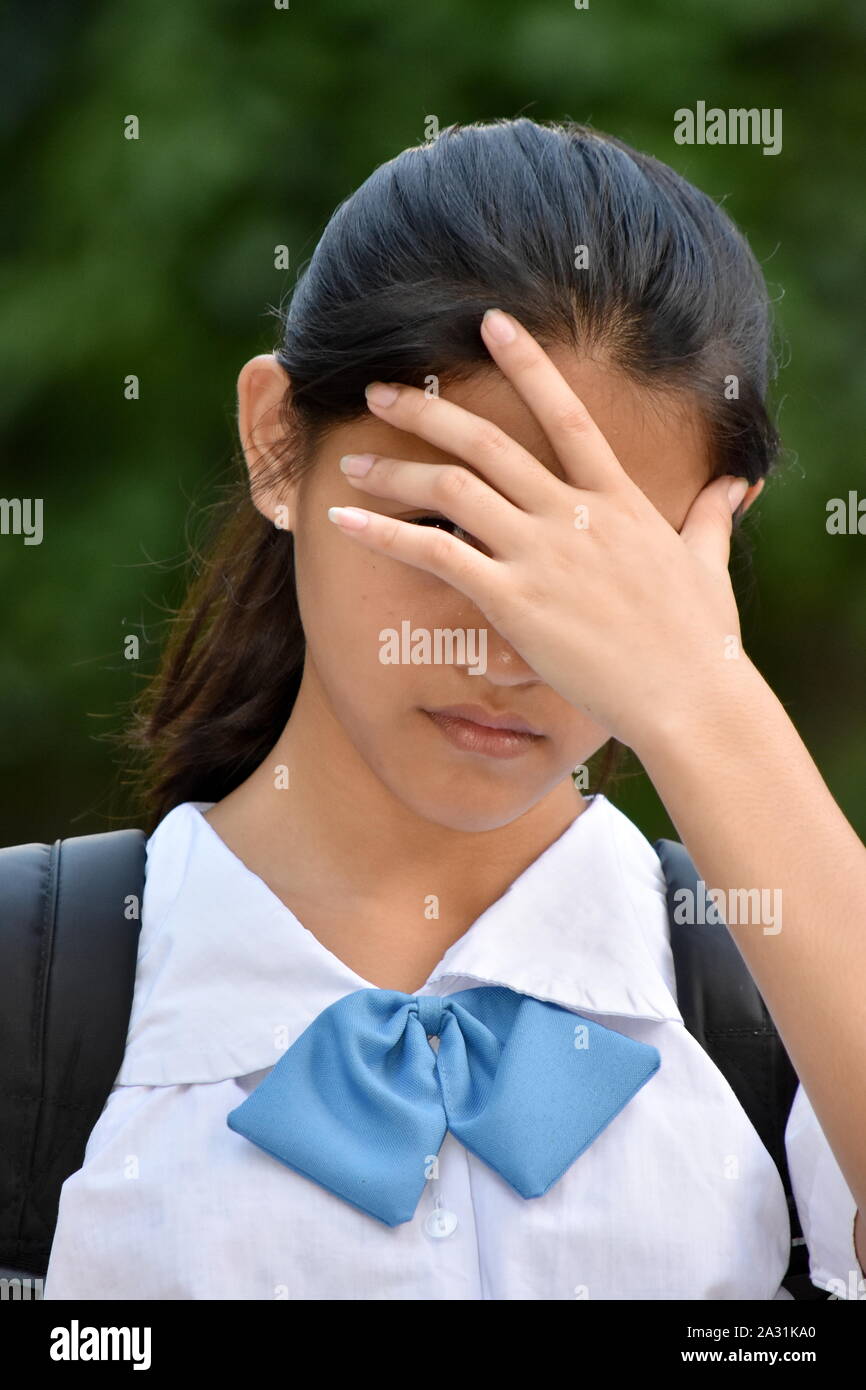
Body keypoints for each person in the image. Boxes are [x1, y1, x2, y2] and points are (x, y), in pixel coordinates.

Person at [43, 117, 865, 1300]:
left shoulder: (779, 1003)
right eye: (453, 530)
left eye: (597, 570)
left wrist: (700, 698)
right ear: (279, 441)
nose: (506, 649)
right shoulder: (40, 1000)